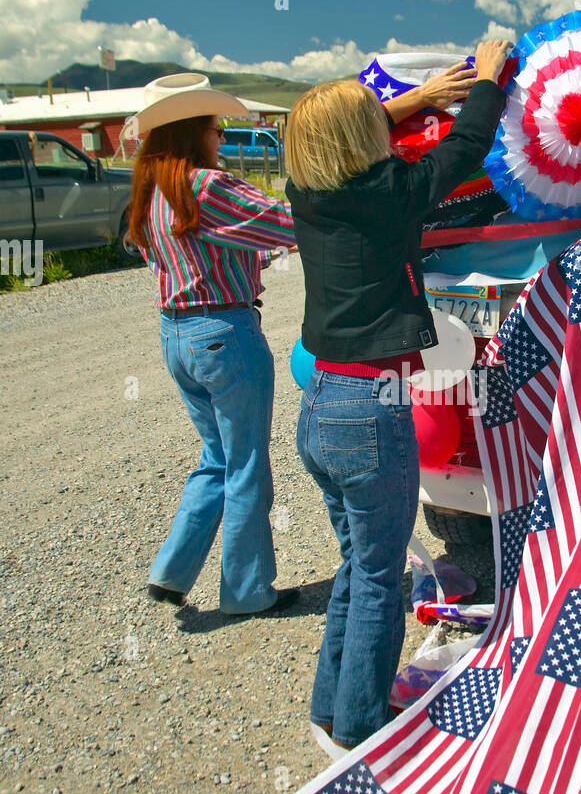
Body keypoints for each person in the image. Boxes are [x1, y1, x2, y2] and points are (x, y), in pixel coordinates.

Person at [285, 41, 509, 750]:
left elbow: (340, 133)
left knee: (358, 564)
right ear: (365, 139)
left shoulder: (309, 189)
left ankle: (331, 703)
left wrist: (412, 99)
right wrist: (489, 77)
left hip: (319, 404)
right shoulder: (392, 192)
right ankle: (360, 726)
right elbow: (468, 146)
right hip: (370, 408)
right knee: (380, 577)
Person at [125, 73, 299, 616]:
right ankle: (247, 591)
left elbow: (197, 252)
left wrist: (253, 259)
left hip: (176, 333)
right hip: (225, 334)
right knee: (245, 462)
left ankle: (173, 570)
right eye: (216, 130)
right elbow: (288, 224)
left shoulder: (154, 191)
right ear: (193, 133)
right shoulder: (207, 186)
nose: (221, 140)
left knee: (216, 457)